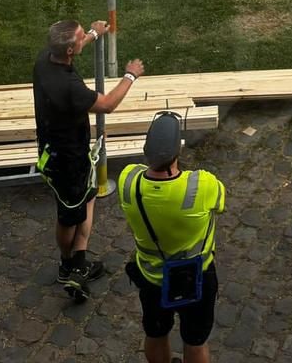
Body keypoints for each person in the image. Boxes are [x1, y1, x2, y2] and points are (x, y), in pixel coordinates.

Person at [33, 19, 146, 300]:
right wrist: (130, 75)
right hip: (68, 160)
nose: (85, 38)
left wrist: (96, 33)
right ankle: (68, 264)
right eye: (82, 37)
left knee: (89, 196)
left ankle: (78, 258)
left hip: (56, 150)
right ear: (70, 51)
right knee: (69, 215)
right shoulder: (69, 87)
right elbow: (107, 104)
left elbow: (77, 43)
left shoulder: (44, 61)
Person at [119, 111, 227, 363]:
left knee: (155, 333)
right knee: (196, 341)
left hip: (151, 278)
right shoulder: (202, 184)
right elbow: (221, 204)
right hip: (197, 277)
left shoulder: (128, 180)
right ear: (178, 149)